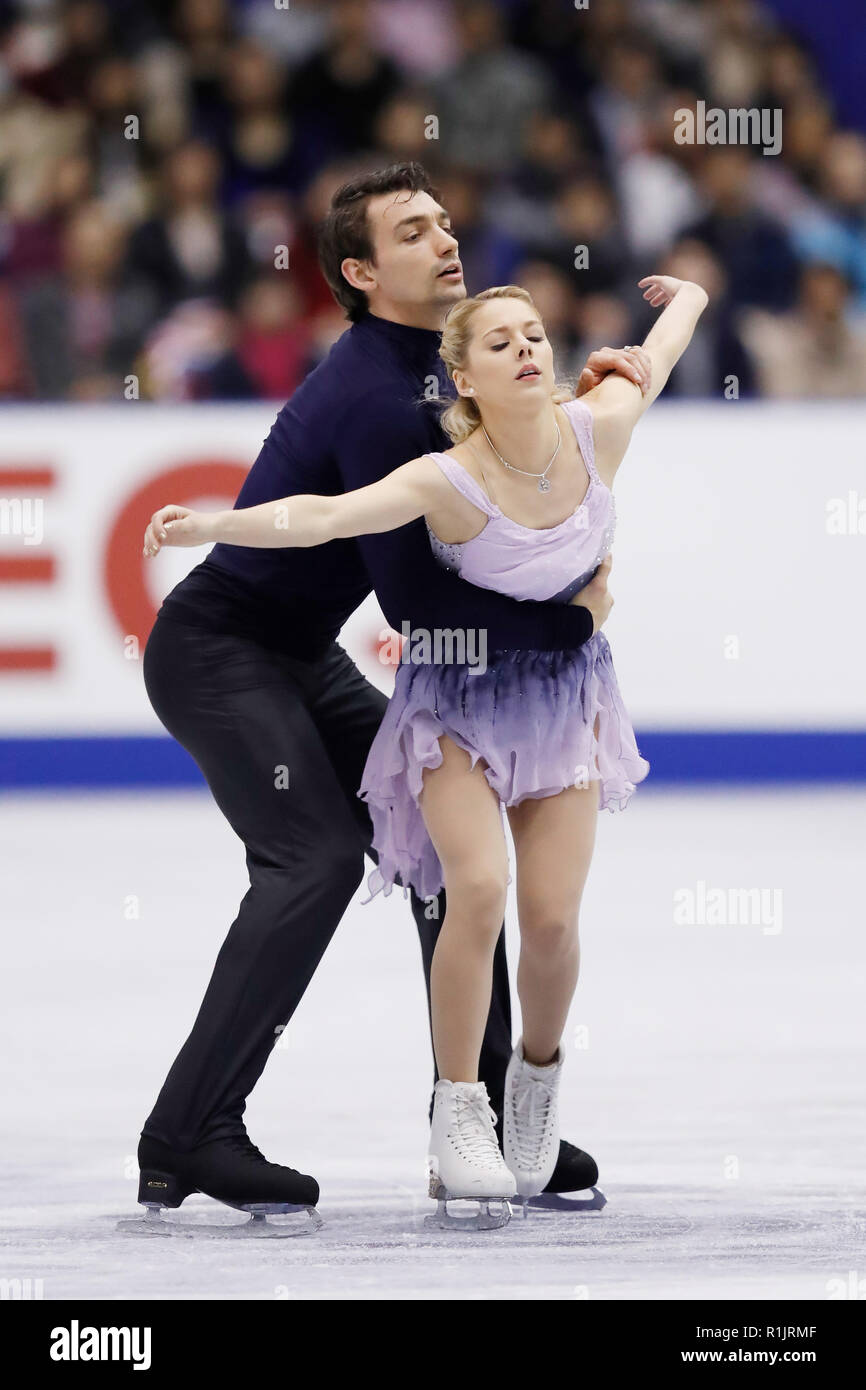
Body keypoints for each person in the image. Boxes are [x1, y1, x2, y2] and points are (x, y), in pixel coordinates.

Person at [133, 161, 652, 1226]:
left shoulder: (428, 366)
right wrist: (571, 622)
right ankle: (187, 1132)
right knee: (314, 859)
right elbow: (421, 608)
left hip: (296, 650)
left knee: (445, 856)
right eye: (413, 232)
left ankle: (481, 1116)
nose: (445, 238)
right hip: (220, 650)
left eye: (445, 221)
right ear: (362, 272)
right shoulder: (377, 394)